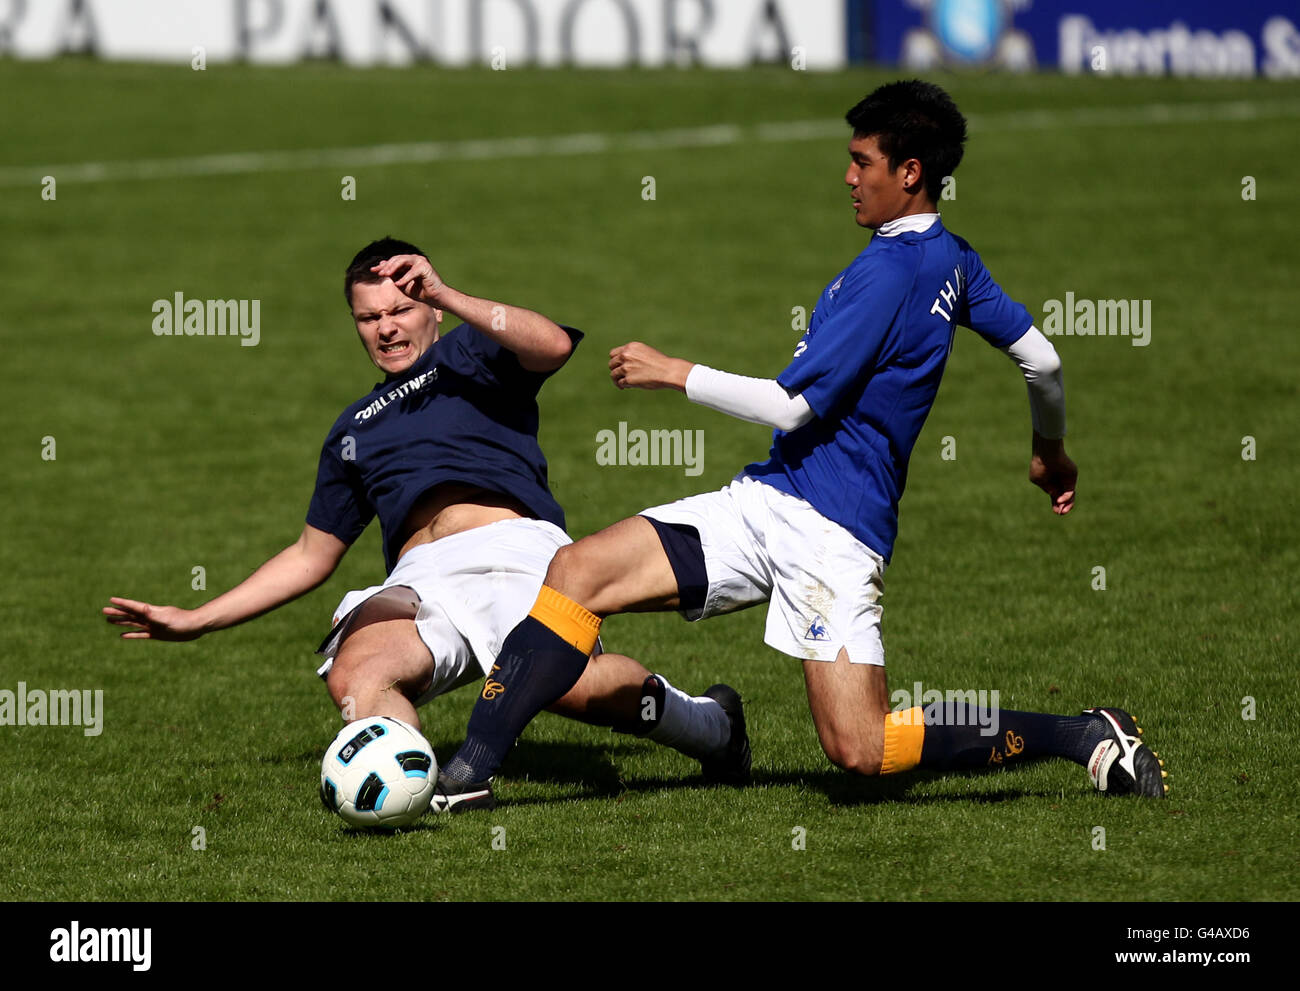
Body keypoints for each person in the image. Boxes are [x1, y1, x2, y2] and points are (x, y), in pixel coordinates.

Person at [434, 81, 1168, 800]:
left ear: (909, 173)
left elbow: (789, 407)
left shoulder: (890, 272)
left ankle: (1082, 733)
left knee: (863, 747)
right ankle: (470, 772)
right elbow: (1043, 357)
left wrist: (673, 371)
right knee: (577, 570)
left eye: (862, 161)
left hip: (833, 534)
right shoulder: (952, 257)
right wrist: (1051, 448)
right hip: (766, 500)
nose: (848, 177)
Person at [103, 237, 750, 813]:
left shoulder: (473, 353)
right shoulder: (352, 430)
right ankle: (411, 789)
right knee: (356, 673)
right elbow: (309, 554)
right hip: (421, 580)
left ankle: (712, 725)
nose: (386, 328)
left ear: (430, 311)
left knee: (577, 693)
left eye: (402, 308)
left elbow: (551, 343)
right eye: (369, 317)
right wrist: (197, 619)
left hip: (514, 553)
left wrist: (447, 291)